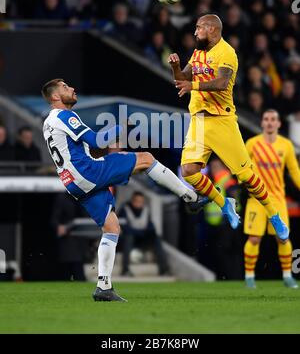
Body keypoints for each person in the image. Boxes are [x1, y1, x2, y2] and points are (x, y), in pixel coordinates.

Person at [41, 78, 208, 302]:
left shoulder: (48, 122)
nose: (71, 88)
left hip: (73, 183)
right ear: (54, 98)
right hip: (88, 172)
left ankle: (103, 287)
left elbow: (82, 148)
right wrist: (122, 126)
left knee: (112, 227)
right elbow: (97, 140)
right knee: (146, 159)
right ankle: (191, 197)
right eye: (64, 87)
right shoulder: (64, 115)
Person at [168, 13, 289, 241]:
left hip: (222, 121)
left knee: (247, 177)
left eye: (198, 28)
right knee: (189, 172)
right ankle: (225, 204)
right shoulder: (198, 53)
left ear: (212, 29)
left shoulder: (227, 53)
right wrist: (175, 67)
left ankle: (274, 215)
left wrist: (192, 84)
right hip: (199, 122)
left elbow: (222, 83)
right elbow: (182, 78)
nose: (195, 33)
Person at [244, 109, 300, 289]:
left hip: (277, 200)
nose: (269, 122)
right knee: (254, 239)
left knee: (283, 239)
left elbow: (294, 171)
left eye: (273, 119)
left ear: (278, 124)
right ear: (262, 123)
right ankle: (249, 277)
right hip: (257, 200)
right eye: (266, 119)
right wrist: (241, 180)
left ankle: (287, 276)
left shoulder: (286, 145)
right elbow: (243, 167)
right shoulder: (252, 144)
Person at [119, 191, 169, 276]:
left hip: (141, 238)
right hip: (126, 239)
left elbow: (151, 227)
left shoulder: (146, 210)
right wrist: (140, 232)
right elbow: (125, 228)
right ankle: (125, 269)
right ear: (132, 201)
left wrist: (144, 232)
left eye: (141, 202)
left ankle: (164, 269)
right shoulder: (124, 209)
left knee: (156, 238)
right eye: (137, 201)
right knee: (129, 237)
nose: (139, 204)